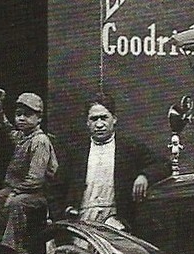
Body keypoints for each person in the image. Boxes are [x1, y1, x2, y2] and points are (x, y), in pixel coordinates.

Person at [65, 93, 171, 231]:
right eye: (93, 119)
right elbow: (56, 186)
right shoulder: (76, 151)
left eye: (104, 118)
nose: (99, 124)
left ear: (114, 119)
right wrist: (67, 210)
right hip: (82, 222)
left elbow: (164, 164)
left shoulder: (129, 147)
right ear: (87, 122)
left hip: (117, 221)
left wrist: (144, 176)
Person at [0, 92, 56, 254]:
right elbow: (9, 130)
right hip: (22, 189)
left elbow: (36, 179)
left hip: (38, 193)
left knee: (16, 203)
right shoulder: (24, 137)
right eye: (19, 114)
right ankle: (1, 249)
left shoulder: (40, 141)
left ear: (39, 118)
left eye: (28, 114)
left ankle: (16, 252)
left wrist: (15, 192)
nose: (21, 118)